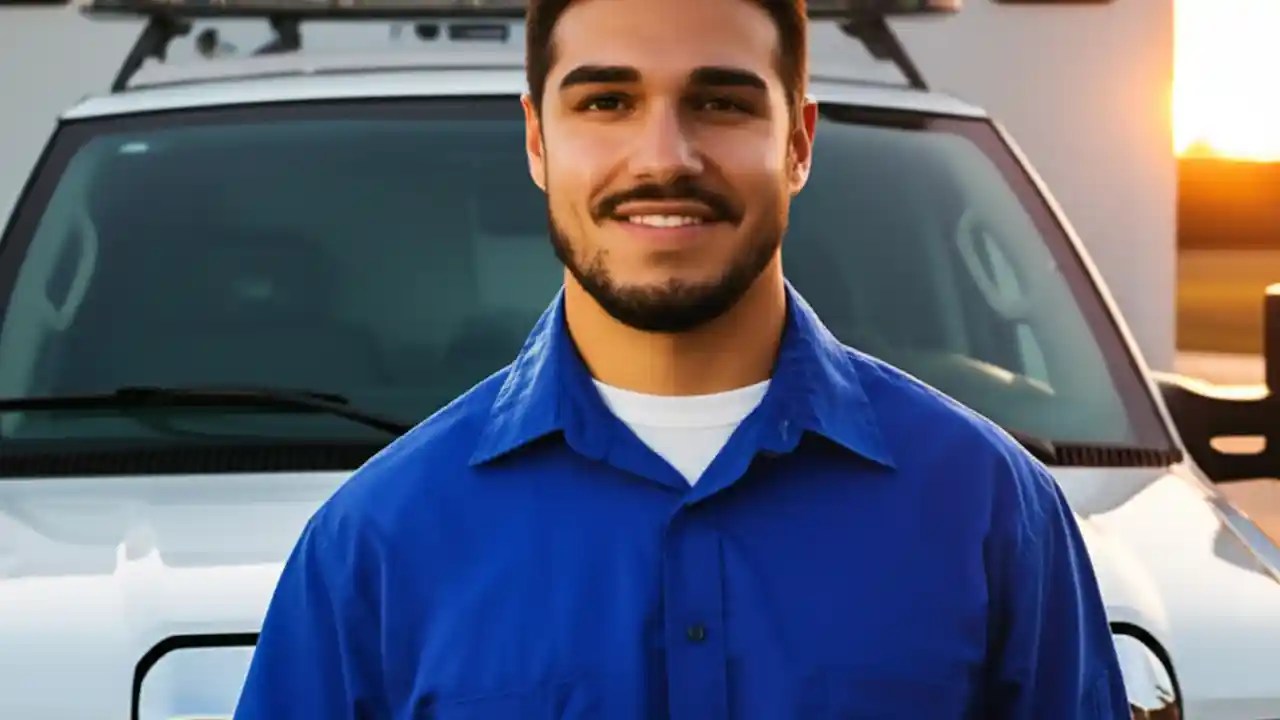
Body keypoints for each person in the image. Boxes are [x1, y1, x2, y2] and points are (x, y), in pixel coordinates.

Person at [233, 0, 1131, 716]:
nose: (665, 156)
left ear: (799, 141)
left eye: (721, 102)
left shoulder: (990, 510)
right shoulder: (377, 542)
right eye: (606, 102)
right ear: (537, 141)